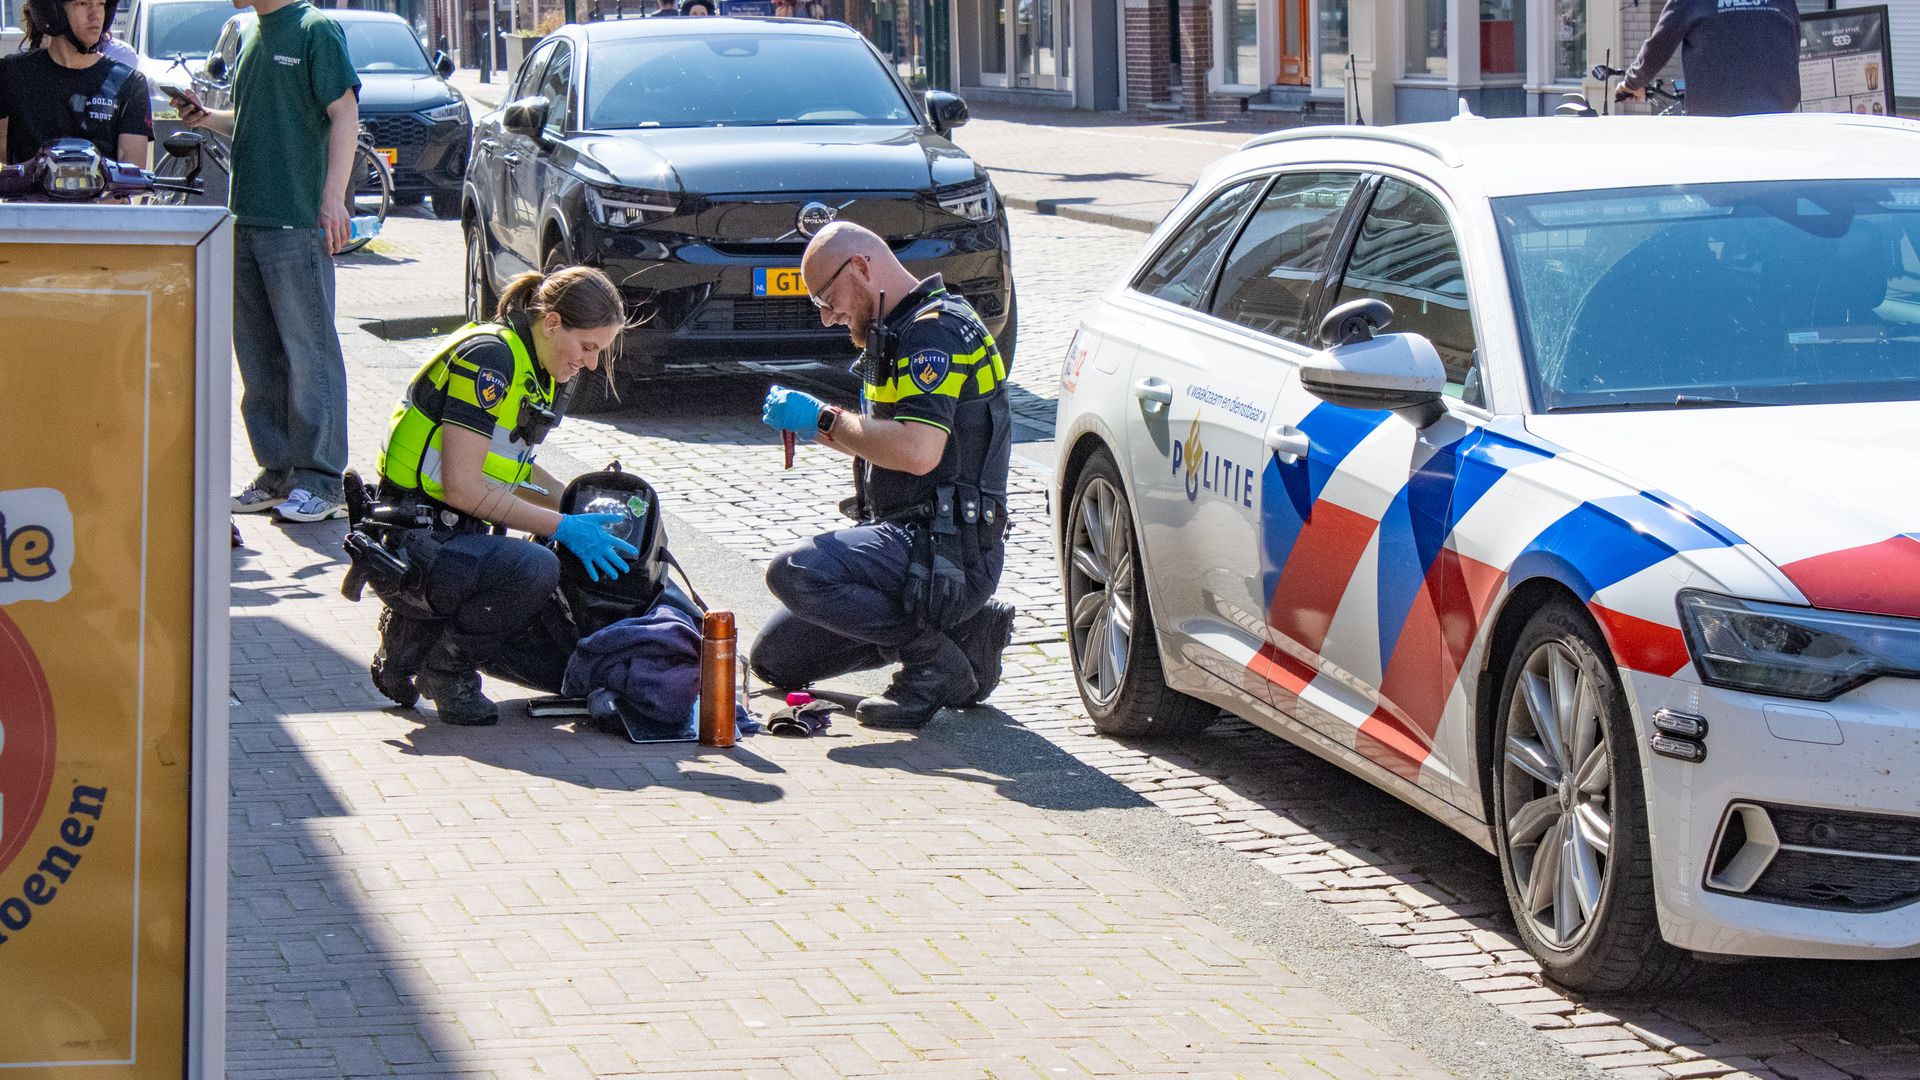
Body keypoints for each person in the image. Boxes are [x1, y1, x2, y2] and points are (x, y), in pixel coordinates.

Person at [752, 221, 1017, 729]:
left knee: (796, 571)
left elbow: (917, 452)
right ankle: (964, 639)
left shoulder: (934, 332)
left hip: (946, 550)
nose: (828, 317)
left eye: (826, 298)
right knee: (776, 661)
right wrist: (818, 425)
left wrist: (824, 418)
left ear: (860, 266)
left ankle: (930, 664)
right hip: (912, 540)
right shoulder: (899, 330)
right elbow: (888, 439)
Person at [366, 266, 638, 726]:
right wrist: (563, 526)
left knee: (545, 607)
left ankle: (410, 640)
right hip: (412, 541)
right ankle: (446, 669)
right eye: (588, 347)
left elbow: (510, 468)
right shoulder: (491, 360)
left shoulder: (533, 362)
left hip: (443, 534)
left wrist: (579, 504)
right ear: (552, 323)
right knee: (536, 567)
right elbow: (463, 485)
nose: (591, 364)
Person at [178, 0, 361, 523]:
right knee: (260, 359)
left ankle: (323, 483)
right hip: (246, 220)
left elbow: (345, 112)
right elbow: (255, 120)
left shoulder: (314, 29)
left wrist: (333, 199)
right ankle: (279, 474)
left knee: (309, 356)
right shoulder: (251, 33)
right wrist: (207, 118)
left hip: (295, 222)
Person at [0, 0, 152, 167]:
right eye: (82, 3)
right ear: (53, 12)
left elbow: (132, 173)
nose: (95, 15)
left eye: (101, 4)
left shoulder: (128, 83)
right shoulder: (13, 73)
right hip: (30, 185)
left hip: (104, 186)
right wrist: (37, 168)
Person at [1617, 0, 1800, 117]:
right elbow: (1794, 43)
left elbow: (1659, 47)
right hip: (1778, 114)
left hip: (1716, 120)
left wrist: (1631, 83)